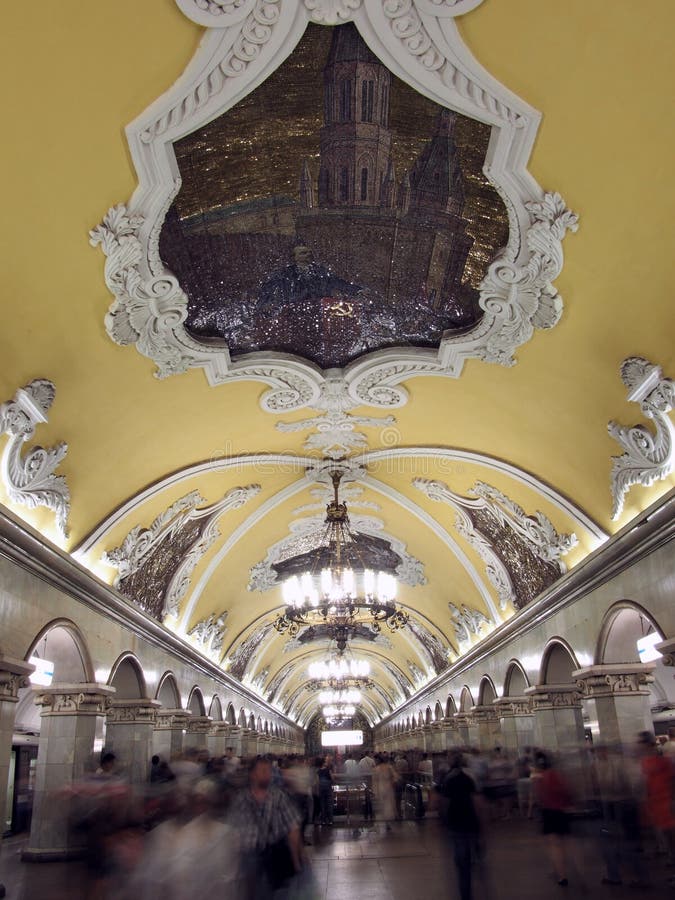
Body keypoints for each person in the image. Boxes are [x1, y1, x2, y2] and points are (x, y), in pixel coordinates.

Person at [227, 757, 302, 899]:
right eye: (263, 771)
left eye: (269, 771)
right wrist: (233, 863)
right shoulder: (241, 799)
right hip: (248, 856)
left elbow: (293, 827)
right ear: (252, 774)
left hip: (274, 854)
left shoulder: (279, 797)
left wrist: (296, 859)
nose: (268, 775)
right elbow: (233, 832)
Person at [437, 752, 482, 900]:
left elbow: (445, 801)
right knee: (470, 845)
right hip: (470, 819)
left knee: (460, 851)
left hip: (455, 820)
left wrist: (443, 818)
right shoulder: (469, 777)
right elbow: (477, 799)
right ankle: (474, 857)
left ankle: (464, 882)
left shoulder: (449, 779)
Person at [534, 751, 573, 887]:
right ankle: (561, 870)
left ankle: (561, 875)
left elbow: (539, 797)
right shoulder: (556, 774)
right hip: (560, 811)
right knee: (562, 844)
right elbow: (566, 791)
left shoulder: (540, 777)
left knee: (553, 845)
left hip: (548, 813)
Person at [372, 754, 397, 831]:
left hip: (380, 787)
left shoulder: (376, 769)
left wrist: (374, 791)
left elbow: (374, 781)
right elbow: (395, 777)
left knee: (381, 806)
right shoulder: (389, 767)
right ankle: (388, 823)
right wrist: (391, 782)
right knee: (388, 805)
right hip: (388, 787)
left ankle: (381, 823)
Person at [317, 755, 334, 826]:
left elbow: (317, 781)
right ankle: (330, 820)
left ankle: (323, 820)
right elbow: (332, 778)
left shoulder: (318, 771)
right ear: (323, 763)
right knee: (329, 804)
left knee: (322, 804)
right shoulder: (328, 770)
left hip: (321, 789)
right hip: (328, 788)